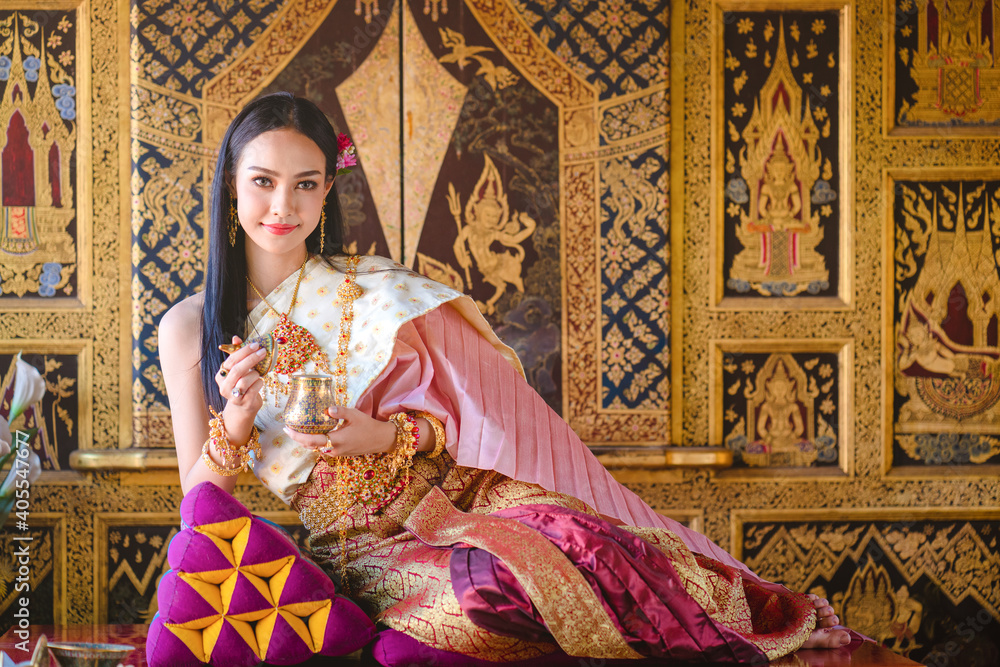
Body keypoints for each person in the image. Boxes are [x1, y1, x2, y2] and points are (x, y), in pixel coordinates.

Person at [159, 92, 852, 662]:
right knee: (494, 592)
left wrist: (382, 433)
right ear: (230, 183)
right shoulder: (190, 327)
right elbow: (200, 501)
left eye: (305, 184)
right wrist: (238, 424)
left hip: (466, 494)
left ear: (327, 189)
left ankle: (764, 630)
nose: (283, 206)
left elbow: (449, 423)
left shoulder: (371, 286)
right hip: (363, 542)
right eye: (264, 182)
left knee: (589, 541)